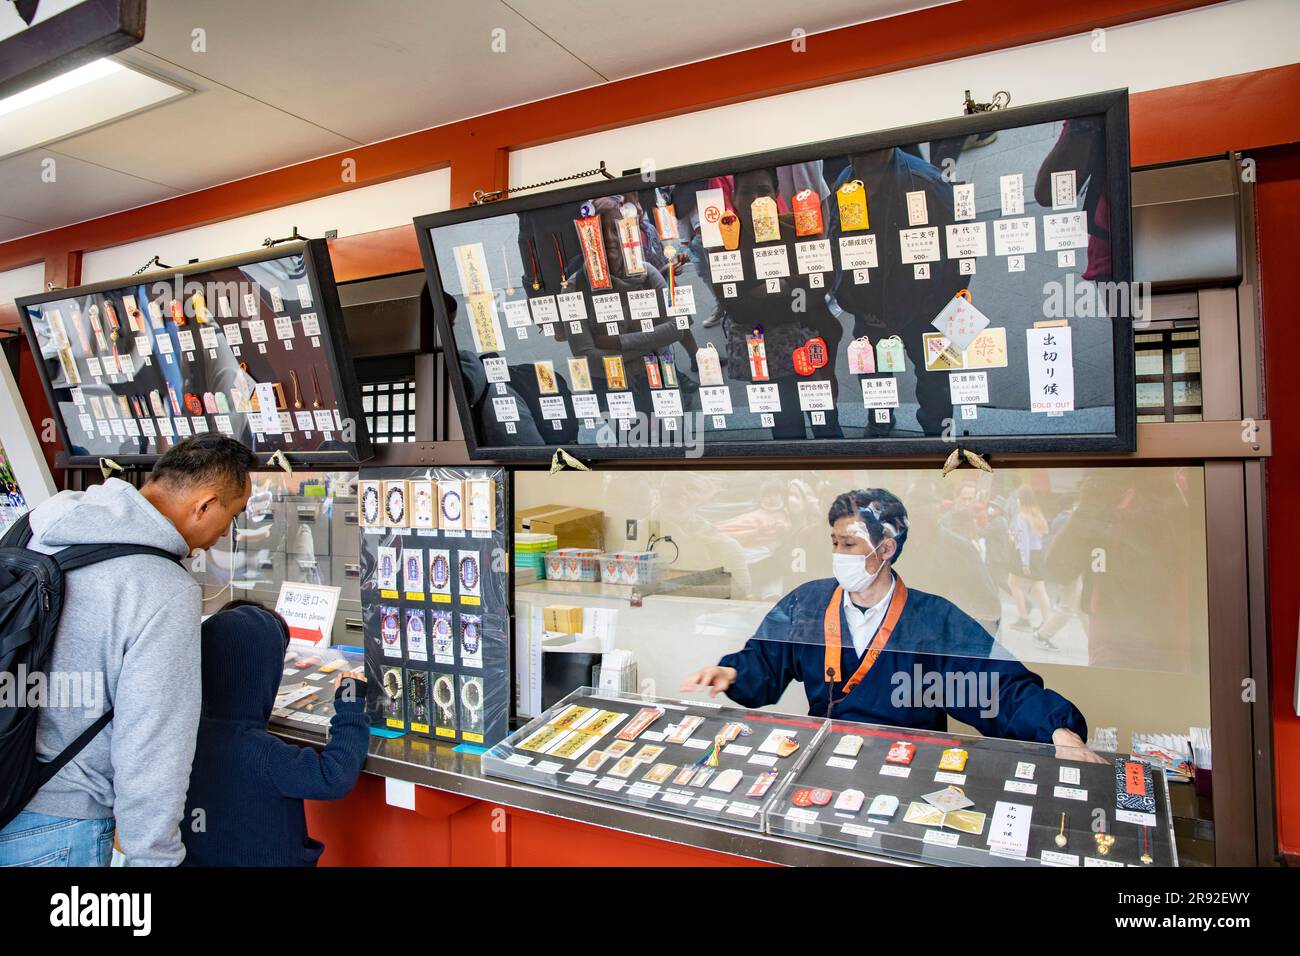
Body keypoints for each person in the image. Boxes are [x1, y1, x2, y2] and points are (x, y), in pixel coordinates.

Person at [681, 488, 1101, 758]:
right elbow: (765, 661)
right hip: (820, 760)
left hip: (908, 763)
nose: (840, 554)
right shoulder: (807, 603)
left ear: (885, 549)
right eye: (835, 543)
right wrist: (732, 671)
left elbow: (996, 687)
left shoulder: (934, 619)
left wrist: (1058, 730)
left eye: (851, 545)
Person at [0, 434, 254, 866]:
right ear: (205, 504)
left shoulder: (37, 526)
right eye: (233, 516)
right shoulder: (162, 588)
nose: (226, 533)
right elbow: (153, 742)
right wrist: (151, 857)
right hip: (59, 827)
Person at [180, 602, 368, 866]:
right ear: (263, 675)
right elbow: (334, 777)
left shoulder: (184, 740)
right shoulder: (262, 753)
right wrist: (350, 703)